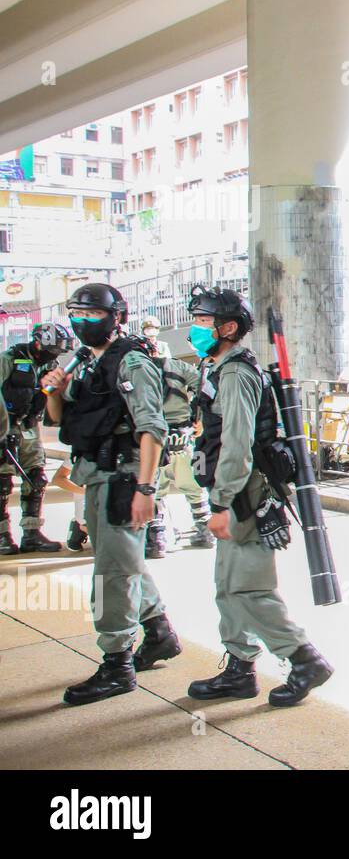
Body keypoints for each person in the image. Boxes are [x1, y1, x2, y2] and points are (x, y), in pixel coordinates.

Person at [183, 286, 334, 708]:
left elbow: (237, 445)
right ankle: (239, 667)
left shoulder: (235, 374)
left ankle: (304, 659)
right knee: (227, 586)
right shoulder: (217, 366)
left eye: (203, 321)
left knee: (249, 587)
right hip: (233, 492)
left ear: (227, 328)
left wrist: (220, 502)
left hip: (243, 494)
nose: (195, 328)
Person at [41, 283, 182, 705]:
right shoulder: (83, 362)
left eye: (92, 315)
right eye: (76, 314)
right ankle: (157, 632)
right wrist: (52, 389)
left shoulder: (132, 362)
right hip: (95, 476)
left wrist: (145, 488)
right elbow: (57, 417)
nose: (83, 322)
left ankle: (116, 664)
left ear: (116, 316)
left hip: (122, 479)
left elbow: (152, 429)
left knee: (111, 575)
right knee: (124, 562)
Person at [0, 322, 73, 554]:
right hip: (6, 426)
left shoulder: (50, 365)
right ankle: (2, 536)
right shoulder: (10, 358)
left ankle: (31, 534)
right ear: (38, 342)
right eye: (52, 350)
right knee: (2, 482)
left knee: (36, 478)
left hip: (30, 427)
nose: (54, 356)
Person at [141, 332, 215, 556]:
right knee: (194, 486)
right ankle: (205, 529)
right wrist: (199, 420)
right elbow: (205, 389)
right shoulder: (178, 367)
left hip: (154, 439)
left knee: (156, 489)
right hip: (184, 436)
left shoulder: (138, 372)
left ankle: (157, 538)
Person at [51, 460, 89, 550]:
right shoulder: (82, 452)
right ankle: (79, 525)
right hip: (90, 502)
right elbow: (57, 479)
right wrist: (85, 492)